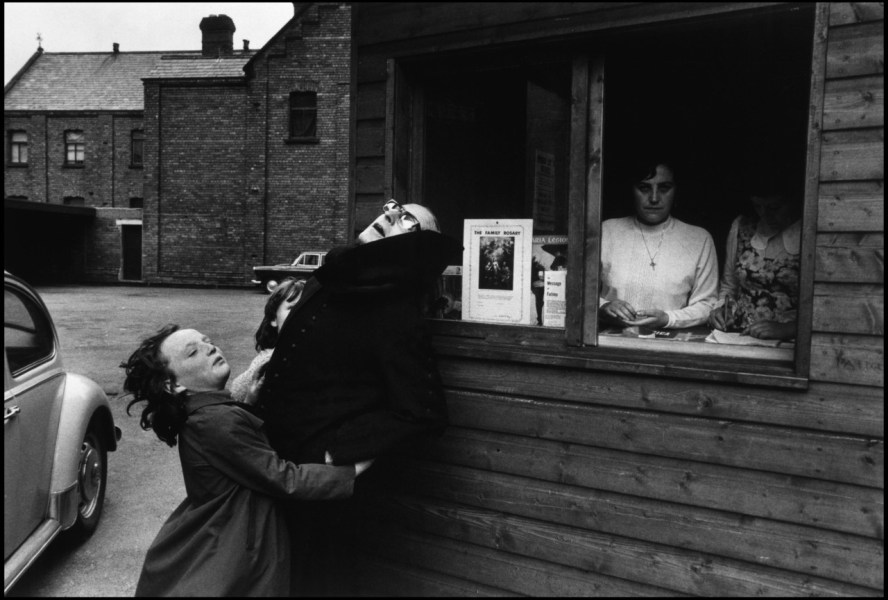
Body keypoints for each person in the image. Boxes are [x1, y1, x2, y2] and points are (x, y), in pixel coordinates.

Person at [257, 199, 462, 595]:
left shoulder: (395, 310)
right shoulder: (329, 277)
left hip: (318, 483)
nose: (390, 214)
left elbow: (423, 412)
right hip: (273, 464)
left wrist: (340, 455)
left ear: (415, 249)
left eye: (408, 220)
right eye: (394, 207)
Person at [120, 324, 373, 597]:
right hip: (237, 544)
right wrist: (352, 469)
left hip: (224, 531)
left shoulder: (205, 414)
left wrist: (249, 403)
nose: (210, 348)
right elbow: (284, 478)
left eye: (207, 340)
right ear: (173, 385)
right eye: (193, 352)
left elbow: (235, 450)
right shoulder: (217, 421)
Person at [599, 160, 718, 329]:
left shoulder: (699, 239)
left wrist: (668, 319)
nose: (654, 198)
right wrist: (603, 307)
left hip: (670, 341)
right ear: (632, 190)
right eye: (644, 188)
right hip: (608, 338)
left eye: (664, 188)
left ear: (676, 190)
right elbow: (579, 290)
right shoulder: (606, 231)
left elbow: (707, 304)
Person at [707, 188, 801, 340]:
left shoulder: (809, 231)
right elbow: (729, 285)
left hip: (790, 340)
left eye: (774, 207)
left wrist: (789, 329)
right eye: (758, 206)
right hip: (739, 335)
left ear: (792, 202)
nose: (765, 214)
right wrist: (721, 309)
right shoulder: (742, 226)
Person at [228, 277, 305, 403]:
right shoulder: (267, 361)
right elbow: (236, 394)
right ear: (274, 318)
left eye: (307, 309)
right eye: (292, 308)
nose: (302, 314)